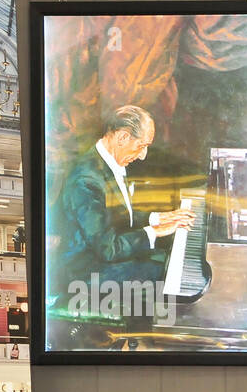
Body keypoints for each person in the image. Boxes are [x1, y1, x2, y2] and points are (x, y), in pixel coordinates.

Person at [53, 104, 195, 327]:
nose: (143, 156)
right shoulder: (86, 180)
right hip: (84, 275)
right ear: (122, 137)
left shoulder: (107, 162)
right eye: (141, 146)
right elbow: (108, 248)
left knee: (165, 260)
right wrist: (154, 232)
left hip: (99, 258)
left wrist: (157, 218)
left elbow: (115, 215)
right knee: (164, 272)